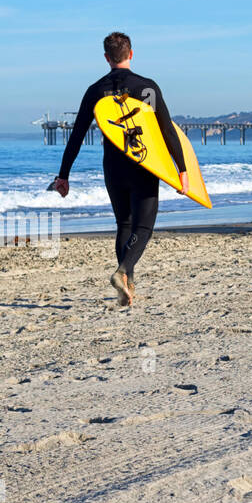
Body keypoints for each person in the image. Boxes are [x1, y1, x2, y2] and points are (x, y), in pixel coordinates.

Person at [51, 31, 188, 306]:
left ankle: (128, 285)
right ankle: (123, 272)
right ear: (131, 53)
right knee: (144, 226)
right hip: (143, 163)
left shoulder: (95, 90)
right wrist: (181, 169)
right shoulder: (147, 88)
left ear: (106, 57)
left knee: (123, 223)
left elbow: (76, 136)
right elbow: (167, 130)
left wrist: (63, 175)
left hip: (113, 167)